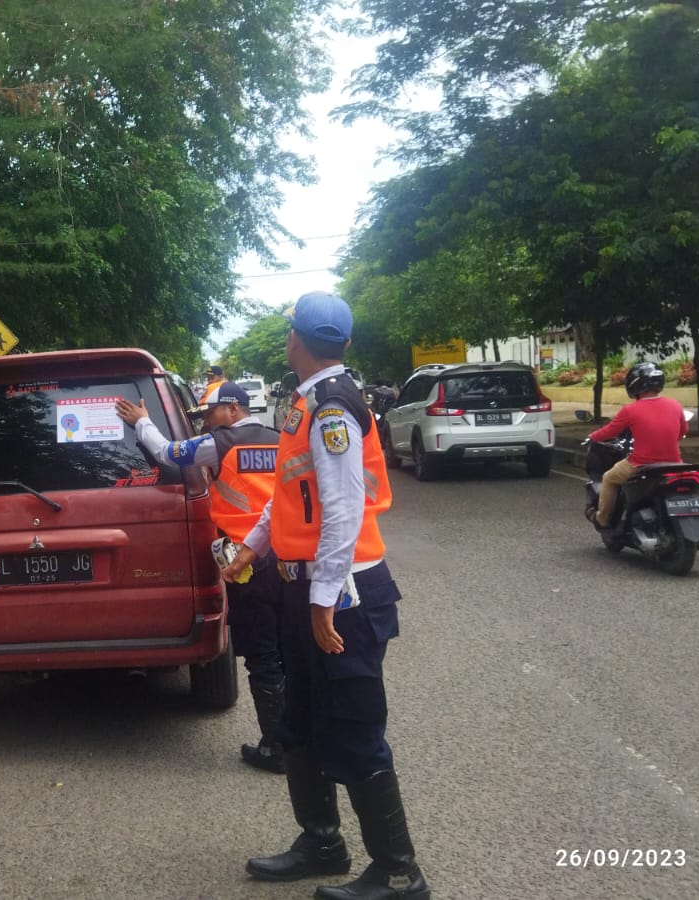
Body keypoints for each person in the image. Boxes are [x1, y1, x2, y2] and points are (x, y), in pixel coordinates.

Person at [223, 291, 430, 900]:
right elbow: (290, 498)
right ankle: (321, 842)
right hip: (302, 581)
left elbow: (341, 512)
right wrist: (254, 547)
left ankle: (399, 872)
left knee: (354, 726)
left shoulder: (333, 406)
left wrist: (322, 600)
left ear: (296, 340)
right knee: (302, 722)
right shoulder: (307, 403)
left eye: (288, 332)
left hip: (342, 591)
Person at [114, 381, 288, 773]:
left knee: (261, 655)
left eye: (209, 414)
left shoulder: (221, 443)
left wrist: (142, 421)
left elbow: (169, 453)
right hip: (288, 556)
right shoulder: (281, 440)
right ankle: (298, 742)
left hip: (248, 559)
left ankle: (277, 749)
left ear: (232, 410)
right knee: (286, 649)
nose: (206, 422)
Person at [588, 362, 686, 527]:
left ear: (634, 385)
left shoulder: (630, 410)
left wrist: (593, 437)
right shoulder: (675, 405)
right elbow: (683, 431)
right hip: (674, 463)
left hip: (641, 464)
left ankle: (602, 518)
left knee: (609, 478)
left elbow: (610, 431)